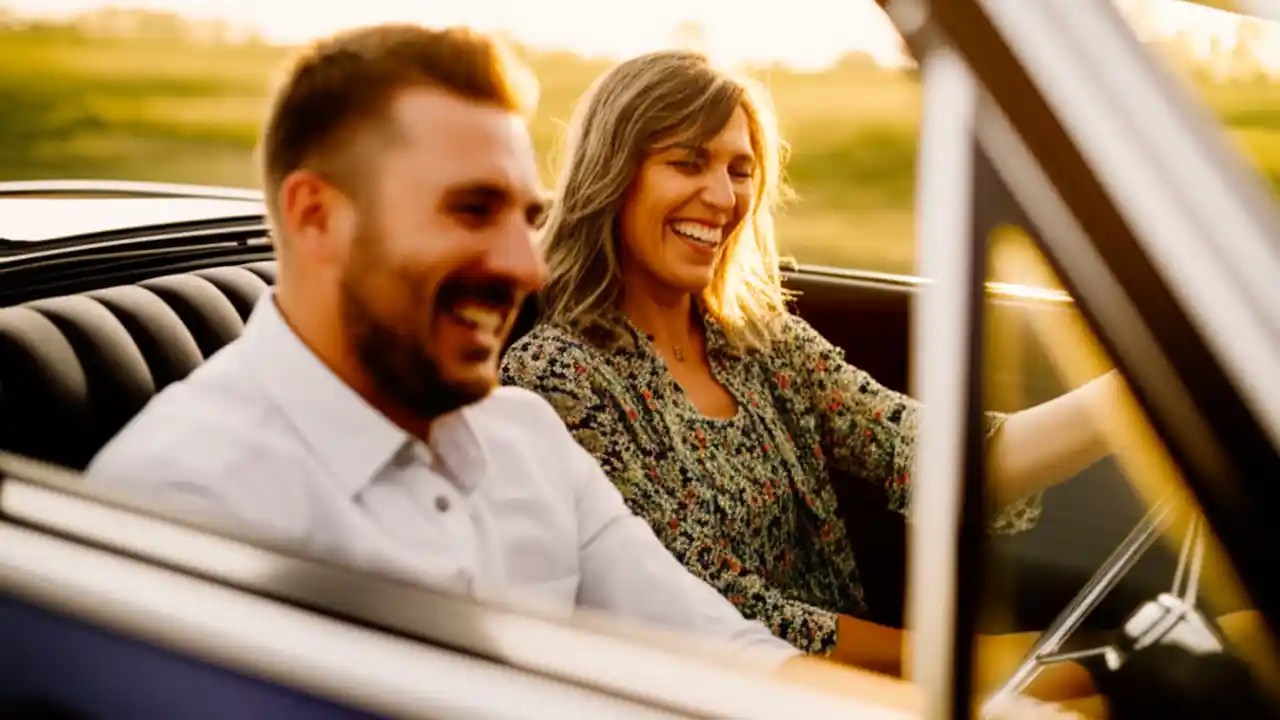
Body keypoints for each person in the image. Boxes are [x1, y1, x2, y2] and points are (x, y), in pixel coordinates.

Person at [83, 24, 803, 670]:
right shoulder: (183, 498)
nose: (526, 266)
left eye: (527, 216)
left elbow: (729, 653)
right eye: (472, 210)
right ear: (317, 217)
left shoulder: (526, 437)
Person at [499, 49, 1121, 689]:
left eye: (741, 171)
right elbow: (715, 610)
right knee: (1118, 683)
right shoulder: (557, 377)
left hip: (859, 682)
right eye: (687, 163)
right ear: (613, 174)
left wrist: (1125, 399)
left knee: (1157, 664)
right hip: (740, 691)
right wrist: (965, 660)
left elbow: (931, 453)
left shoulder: (758, 340)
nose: (721, 197)